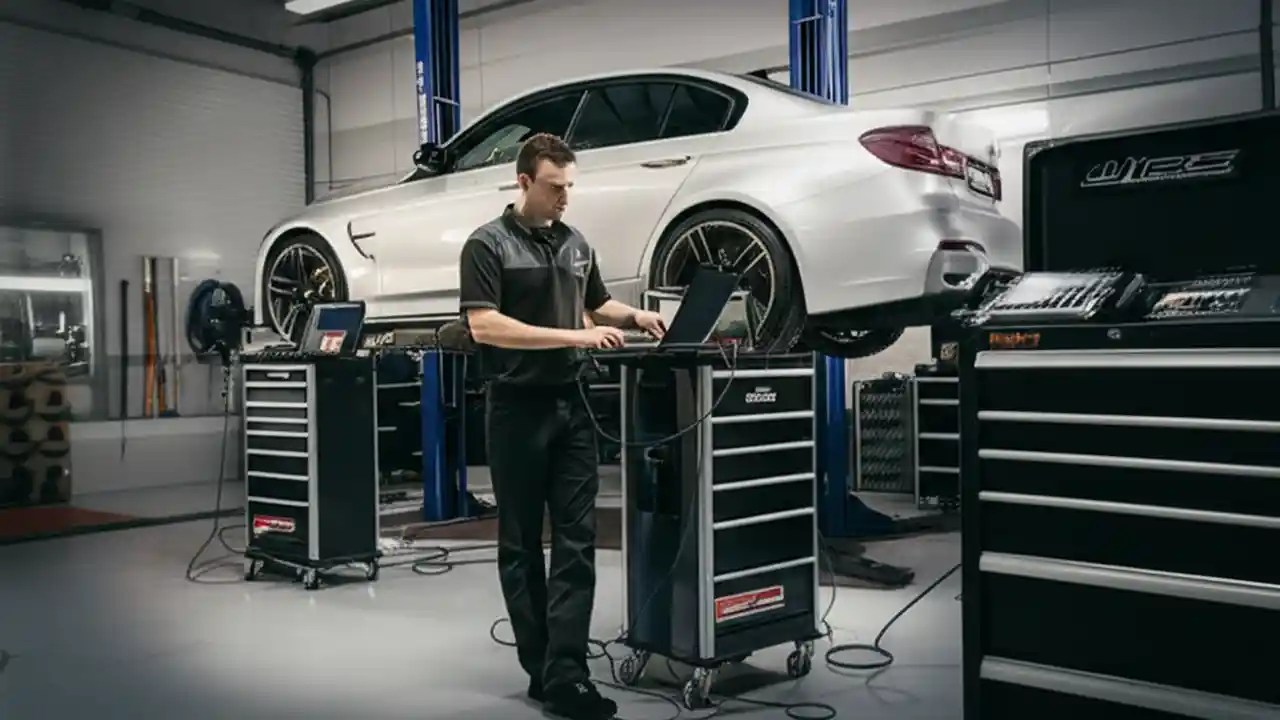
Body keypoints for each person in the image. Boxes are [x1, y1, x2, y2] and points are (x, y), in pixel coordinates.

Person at [458, 133, 666, 720]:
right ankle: (541, 666)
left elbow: (597, 305)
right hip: (516, 410)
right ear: (523, 182)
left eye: (569, 187)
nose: (564, 199)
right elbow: (485, 326)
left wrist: (637, 315)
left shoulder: (576, 243)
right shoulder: (487, 245)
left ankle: (567, 674)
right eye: (554, 188)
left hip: (573, 408)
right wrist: (576, 336)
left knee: (577, 543)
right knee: (521, 544)